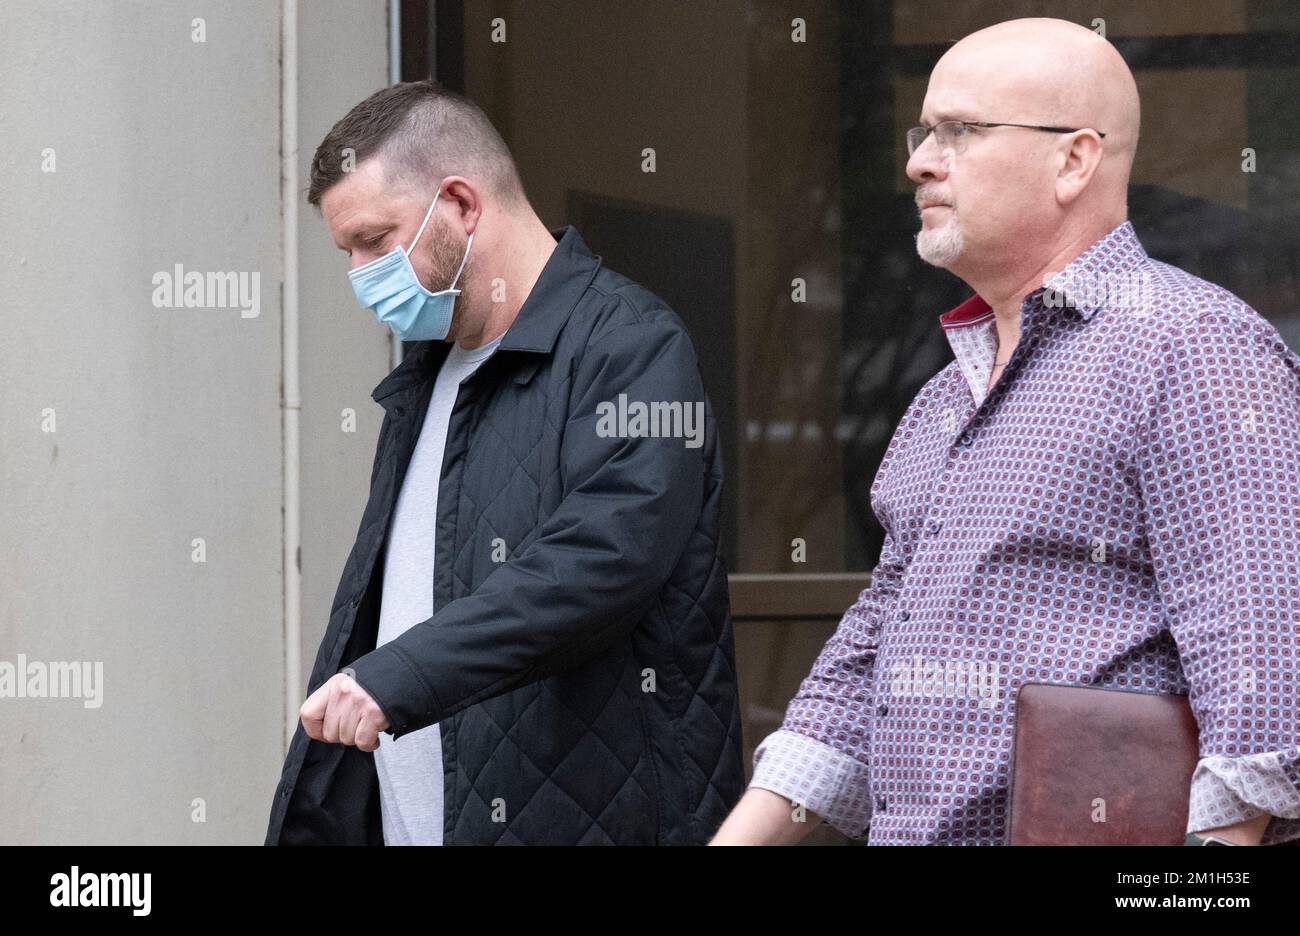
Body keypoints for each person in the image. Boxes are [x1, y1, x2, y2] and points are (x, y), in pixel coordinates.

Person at [712, 17, 1300, 846]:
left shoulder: (1194, 344)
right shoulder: (941, 399)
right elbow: (865, 663)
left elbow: (1261, 667)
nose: (918, 159)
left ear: (1075, 159)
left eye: (962, 130)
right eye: (923, 131)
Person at [265, 79, 743, 845]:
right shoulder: (427, 372)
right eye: (346, 251)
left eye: (375, 241)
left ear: (461, 203)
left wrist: (395, 679)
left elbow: (602, 559)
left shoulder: (632, 344)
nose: (359, 277)